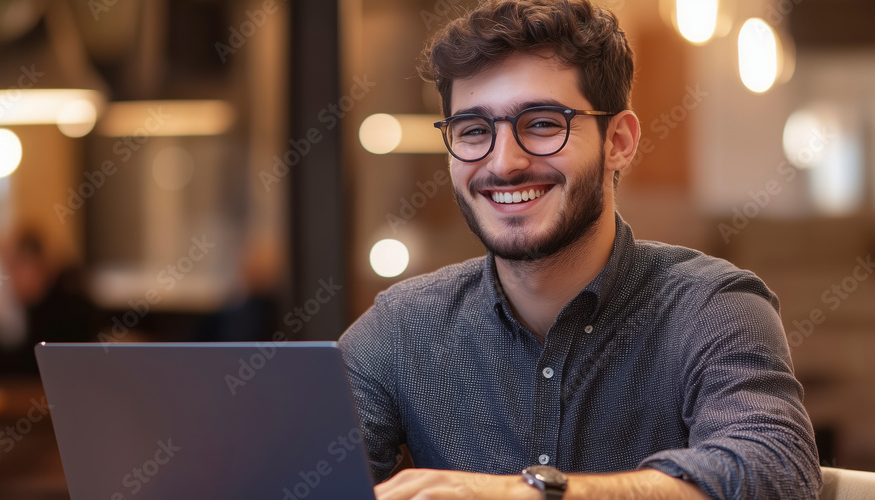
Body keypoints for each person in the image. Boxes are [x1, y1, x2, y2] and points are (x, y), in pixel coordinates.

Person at [338, 1, 822, 499]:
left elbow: (774, 470)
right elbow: (298, 476)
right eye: (475, 131)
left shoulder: (712, 307)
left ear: (619, 141)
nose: (503, 164)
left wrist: (526, 494)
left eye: (543, 124)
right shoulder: (403, 328)